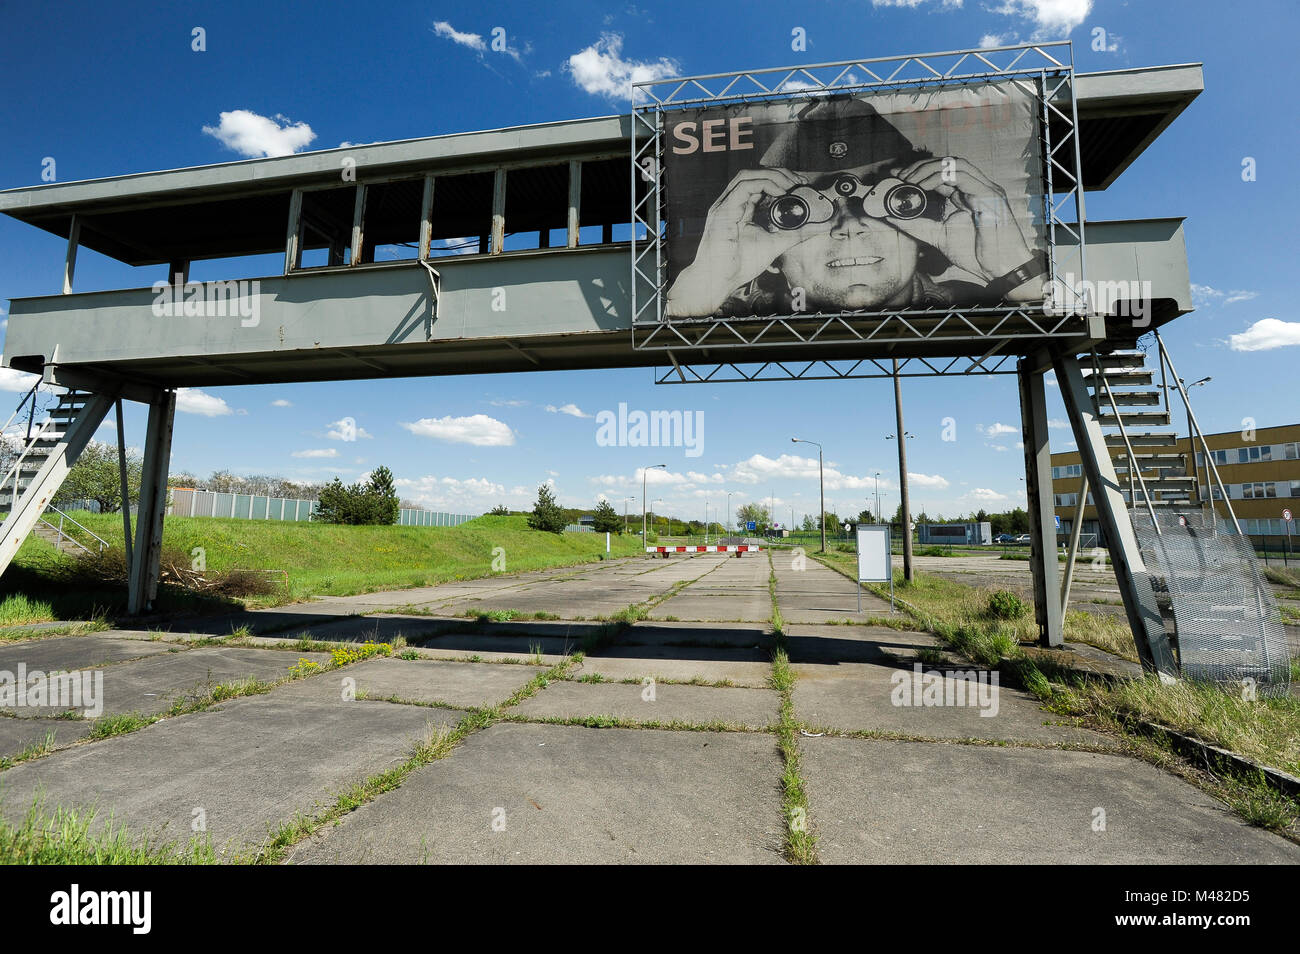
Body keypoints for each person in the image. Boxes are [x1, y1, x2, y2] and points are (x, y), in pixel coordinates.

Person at [665, 96, 1044, 318]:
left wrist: (1011, 270)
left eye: (887, 201)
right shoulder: (720, 309)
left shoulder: (981, 303)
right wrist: (710, 283)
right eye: (801, 208)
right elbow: (663, 328)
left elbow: (1071, 320)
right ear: (766, 239)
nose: (849, 225)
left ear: (923, 212)